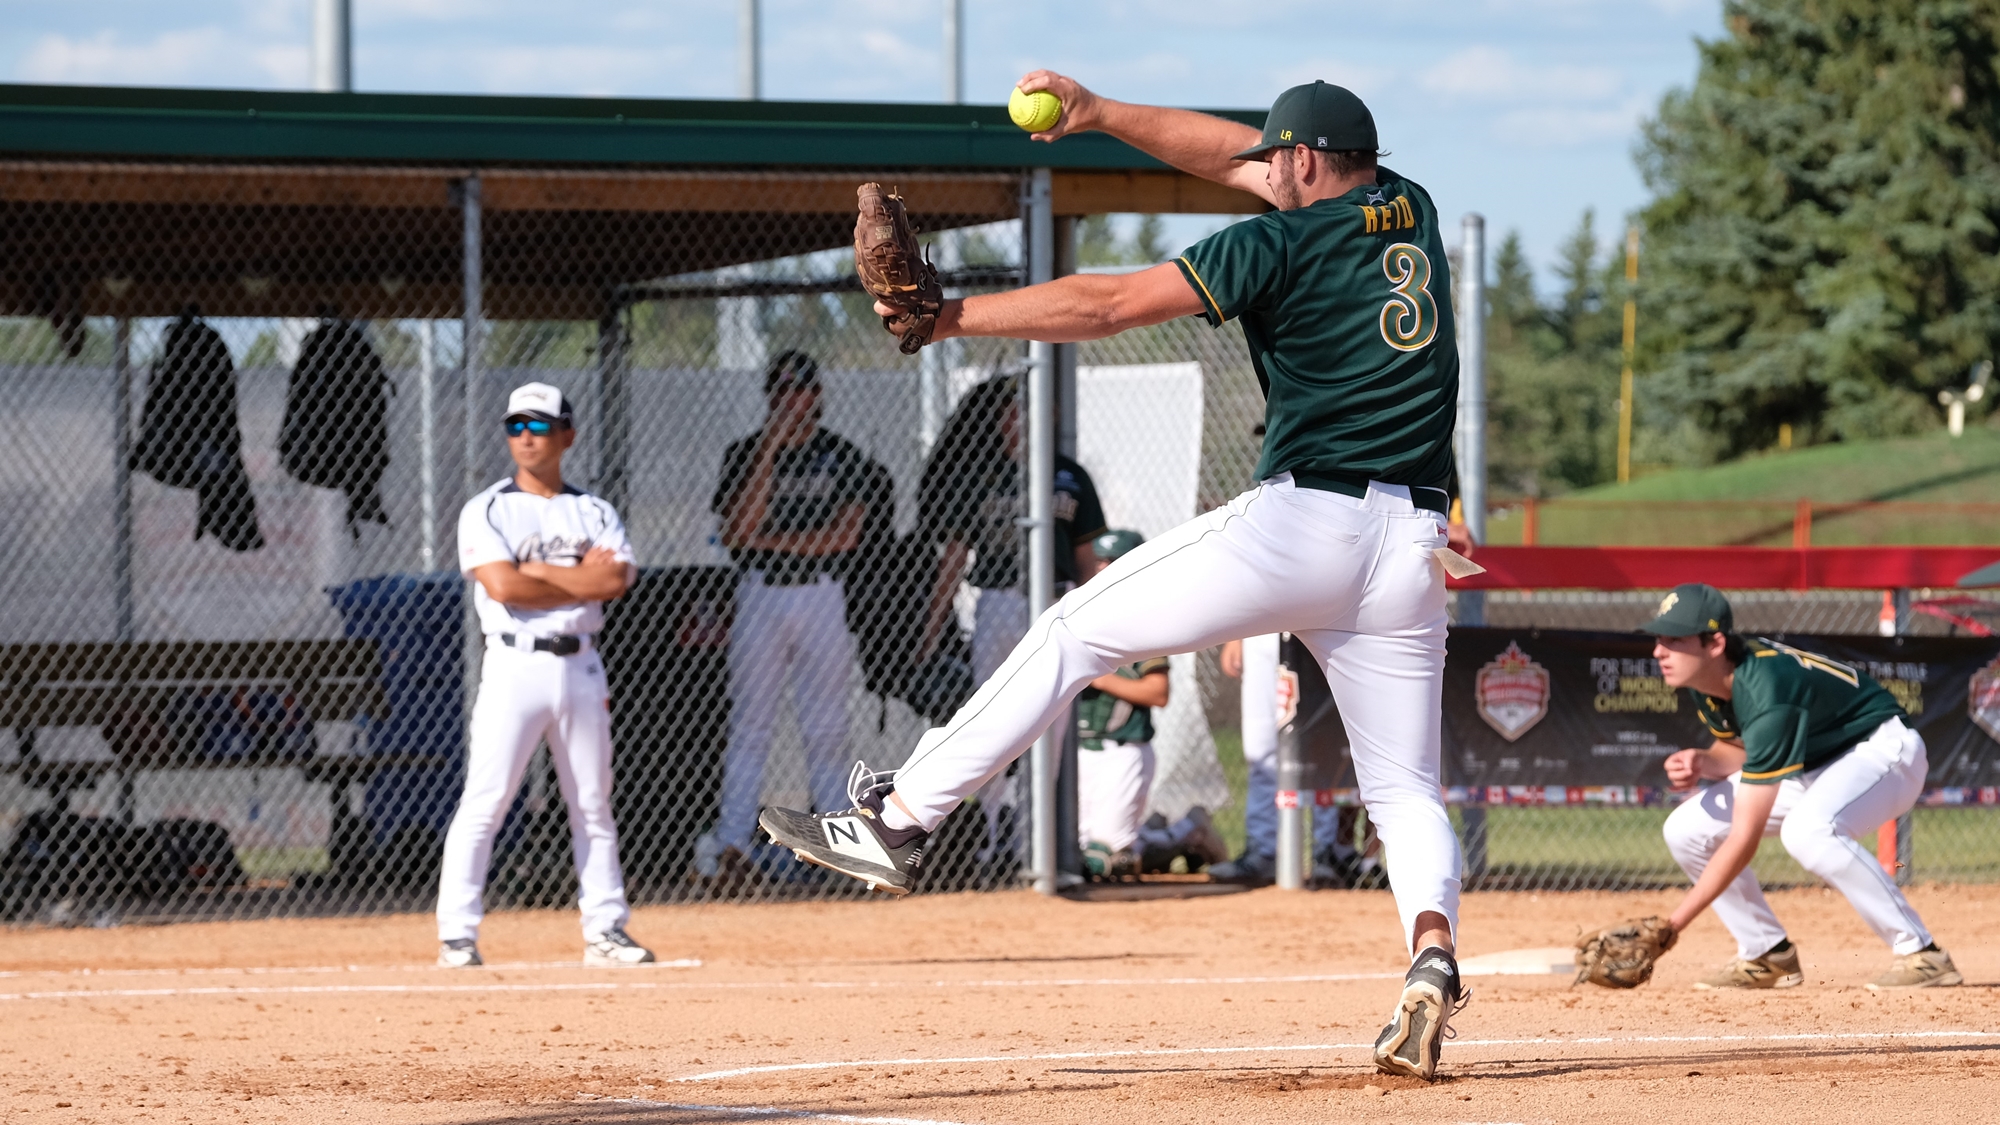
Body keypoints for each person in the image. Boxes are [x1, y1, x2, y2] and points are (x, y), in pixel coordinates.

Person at [762, 75, 1472, 1080]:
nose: (1260, 169)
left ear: (1303, 163)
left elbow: (1103, 305)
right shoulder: (1407, 204)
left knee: (1070, 632)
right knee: (1403, 789)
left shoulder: (1271, 242)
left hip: (1305, 522)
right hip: (1409, 546)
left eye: (1277, 158)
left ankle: (896, 821)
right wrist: (1096, 115)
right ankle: (1431, 954)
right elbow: (1232, 154)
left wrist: (948, 317)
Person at [1647, 583, 1960, 990]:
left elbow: (1745, 836)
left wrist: (1670, 927)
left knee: (1808, 831)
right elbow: (1750, 749)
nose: (1659, 651)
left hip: (1881, 752)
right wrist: (1706, 761)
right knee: (1686, 828)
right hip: (1814, 764)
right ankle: (1767, 953)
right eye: (1658, 638)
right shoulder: (1709, 681)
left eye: (1675, 639)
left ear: (1715, 644)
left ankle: (1922, 953)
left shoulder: (1766, 687)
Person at [438, 382, 651, 968]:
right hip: (513, 662)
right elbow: (502, 586)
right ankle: (457, 933)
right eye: (515, 426)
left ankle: (605, 928)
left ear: (567, 435)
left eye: (538, 426)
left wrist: (536, 570)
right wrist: (567, 573)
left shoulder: (594, 510)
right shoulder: (487, 507)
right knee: (487, 799)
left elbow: (614, 583)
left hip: (581, 662)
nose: (526, 437)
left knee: (592, 802)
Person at [915, 374, 1107, 860]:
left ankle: (1033, 847)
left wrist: (1102, 625)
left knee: (1052, 725)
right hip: (997, 601)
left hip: (1058, 600)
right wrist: (932, 629)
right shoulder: (981, 475)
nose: (1016, 422)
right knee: (992, 717)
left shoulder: (1070, 474)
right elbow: (955, 557)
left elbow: (1087, 560)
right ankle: (992, 839)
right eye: (1009, 412)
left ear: (1050, 417)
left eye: (1026, 411)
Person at [697, 351, 871, 885]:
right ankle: (732, 845)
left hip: (821, 596)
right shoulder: (746, 453)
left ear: (817, 396)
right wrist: (770, 448)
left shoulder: (841, 454)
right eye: (781, 392)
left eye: (801, 391)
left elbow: (845, 537)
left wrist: (770, 541)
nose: (791, 401)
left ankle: (837, 847)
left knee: (827, 728)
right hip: (760, 597)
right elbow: (735, 532)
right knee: (751, 724)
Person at [1212, 634, 1356, 885]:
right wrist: (1235, 637)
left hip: (1312, 623)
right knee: (1260, 748)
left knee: (1321, 736)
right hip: (1261, 630)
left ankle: (1326, 851)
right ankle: (1263, 851)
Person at [1071, 530, 1167, 877]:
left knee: (1105, 859)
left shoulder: (1144, 621)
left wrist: (1099, 678)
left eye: (1111, 561)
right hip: (1079, 753)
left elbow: (1159, 692)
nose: (1102, 568)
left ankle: (1183, 836)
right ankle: (1166, 831)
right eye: (1099, 561)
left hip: (1123, 752)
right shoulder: (1078, 614)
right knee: (1070, 851)